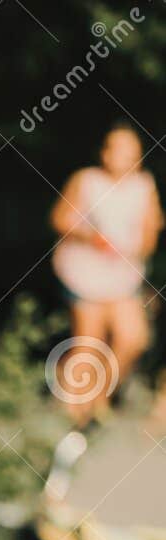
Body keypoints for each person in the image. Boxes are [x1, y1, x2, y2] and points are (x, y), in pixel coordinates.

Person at [50, 124, 162, 427]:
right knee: (89, 341)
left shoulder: (144, 187)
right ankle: (74, 416)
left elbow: (151, 232)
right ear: (105, 153)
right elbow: (60, 218)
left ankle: (98, 396)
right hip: (84, 273)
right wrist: (90, 237)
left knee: (132, 337)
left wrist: (138, 244)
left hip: (122, 276)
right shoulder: (86, 180)